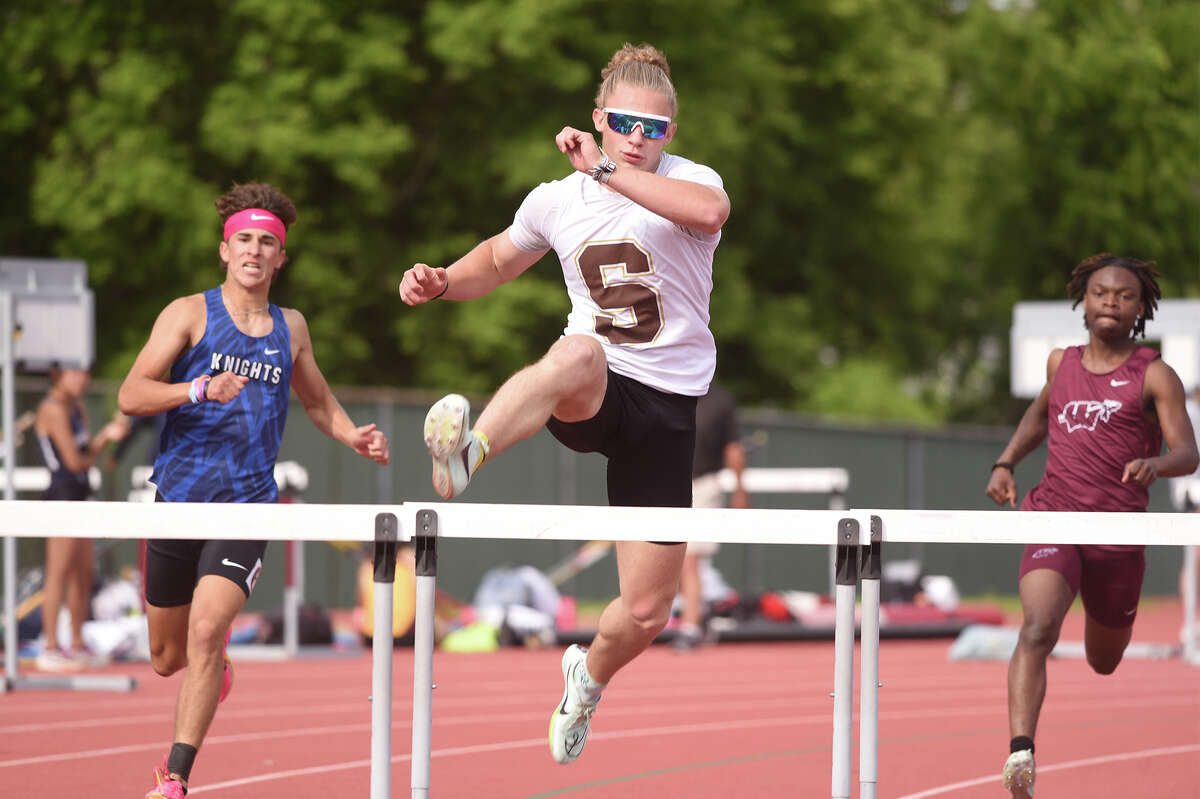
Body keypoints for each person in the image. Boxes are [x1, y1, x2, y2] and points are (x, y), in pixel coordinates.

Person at [398, 42, 729, 765]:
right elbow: (496, 259)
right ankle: (467, 452)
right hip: (599, 387)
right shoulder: (556, 199)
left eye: (655, 129)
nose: (639, 138)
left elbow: (708, 213)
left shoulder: (688, 181)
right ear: (597, 117)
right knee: (576, 350)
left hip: (668, 412)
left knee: (645, 612)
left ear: (672, 134)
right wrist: (441, 281)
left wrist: (609, 169)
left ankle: (588, 676)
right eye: (624, 124)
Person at [118, 181, 391, 799]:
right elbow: (131, 395)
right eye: (244, 238)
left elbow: (317, 399)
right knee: (167, 655)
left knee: (208, 630)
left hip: (246, 505)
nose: (254, 250)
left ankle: (175, 777)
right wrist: (196, 390)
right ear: (224, 250)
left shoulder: (291, 327)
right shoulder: (188, 313)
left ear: (280, 259)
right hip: (177, 502)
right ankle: (214, 674)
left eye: (268, 242)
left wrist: (353, 436)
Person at [984, 253, 1199, 799]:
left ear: (1141, 309)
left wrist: (1158, 463)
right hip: (1055, 513)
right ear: (1084, 300)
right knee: (1036, 628)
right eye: (1101, 292)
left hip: (1118, 534)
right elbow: (1039, 416)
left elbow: (1188, 452)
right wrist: (1006, 462)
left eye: (1124, 296)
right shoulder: (1062, 363)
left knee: (1104, 660)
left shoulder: (1154, 374)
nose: (1111, 302)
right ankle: (1020, 752)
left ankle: (1099, 615)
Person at [33, 365, 130, 671]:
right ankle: (50, 646)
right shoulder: (51, 409)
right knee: (58, 574)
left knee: (84, 574)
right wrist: (100, 442)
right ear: (57, 375)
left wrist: (106, 436)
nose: (81, 380)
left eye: (85, 373)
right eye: (73, 374)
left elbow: (87, 453)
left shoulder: (78, 407)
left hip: (82, 494)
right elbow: (74, 462)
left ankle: (76, 643)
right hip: (62, 498)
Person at [674, 381, 747, 651]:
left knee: (690, 559)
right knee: (674, 558)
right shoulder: (667, 388)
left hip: (703, 484)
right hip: (668, 484)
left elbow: (733, 449)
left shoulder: (720, 401)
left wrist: (740, 491)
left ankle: (691, 626)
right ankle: (696, 616)